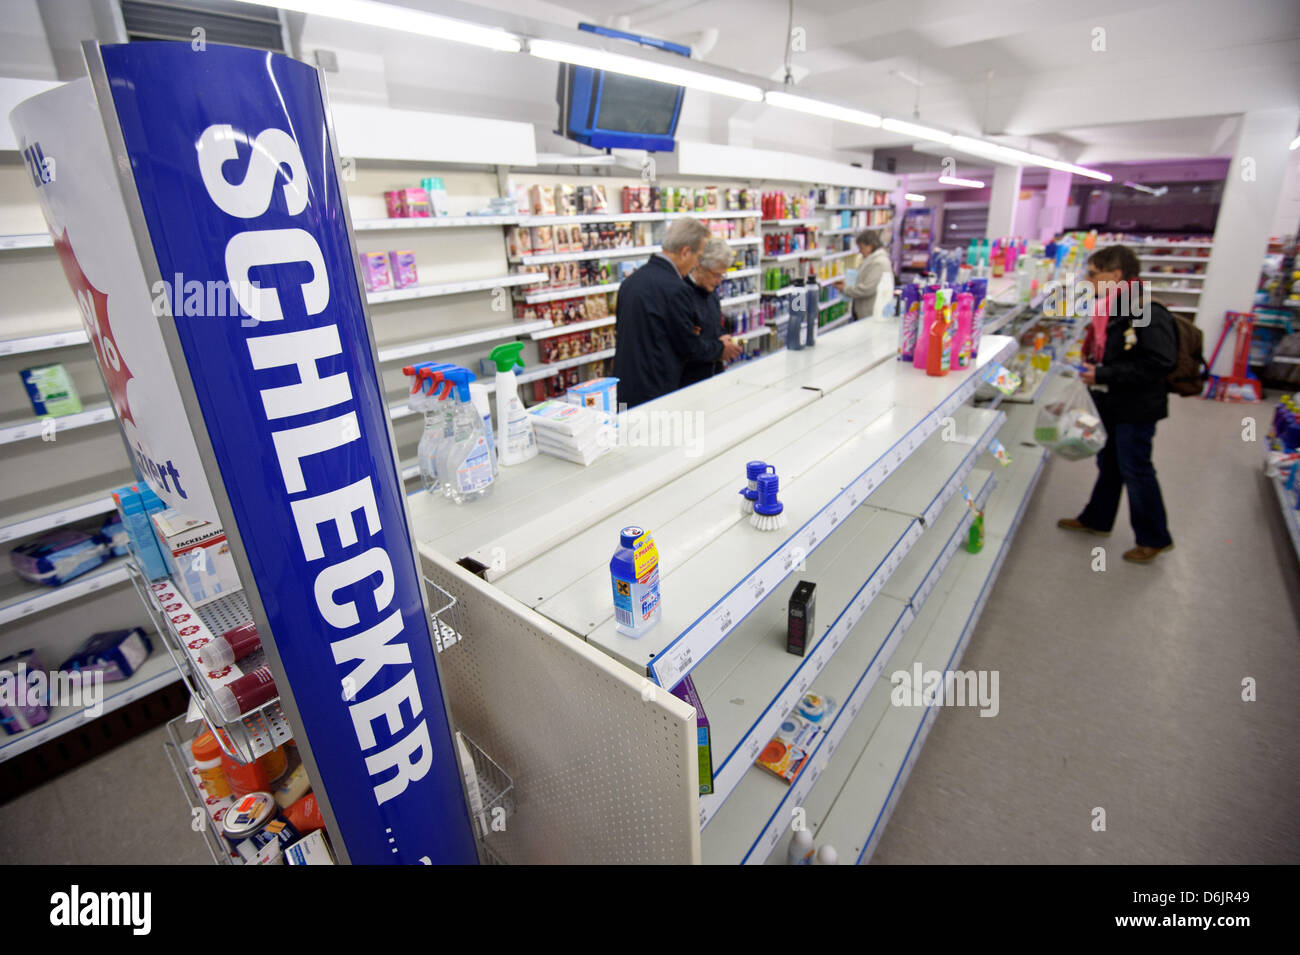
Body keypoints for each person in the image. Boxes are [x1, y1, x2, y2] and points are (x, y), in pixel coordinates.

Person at [1057, 244, 1178, 563]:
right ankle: (1097, 519)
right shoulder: (1114, 306)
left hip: (1136, 407)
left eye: (1094, 274)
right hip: (1113, 400)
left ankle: (1154, 538)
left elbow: (1160, 362)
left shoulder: (1144, 308)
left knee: (1136, 469)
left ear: (1116, 274)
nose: (1088, 279)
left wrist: (1104, 373)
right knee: (1109, 464)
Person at [613, 218, 741, 407]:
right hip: (656, 393)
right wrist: (720, 349)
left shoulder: (631, 282)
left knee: (631, 435)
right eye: (698, 257)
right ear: (685, 252)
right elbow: (687, 346)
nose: (697, 263)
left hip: (625, 389)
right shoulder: (676, 289)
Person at [680, 238, 734, 387]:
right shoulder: (681, 296)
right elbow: (687, 348)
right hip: (689, 385)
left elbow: (713, 327)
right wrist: (720, 348)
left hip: (714, 378)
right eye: (716, 275)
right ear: (699, 265)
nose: (719, 281)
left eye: (722, 275)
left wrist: (723, 337)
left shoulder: (711, 292)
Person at [844, 229, 893, 320]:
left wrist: (845, 289)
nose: (860, 251)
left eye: (861, 248)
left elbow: (867, 289)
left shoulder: (879, 263)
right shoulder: (871, 259)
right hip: (865, 312)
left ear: (870, 246)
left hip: (871, 313)